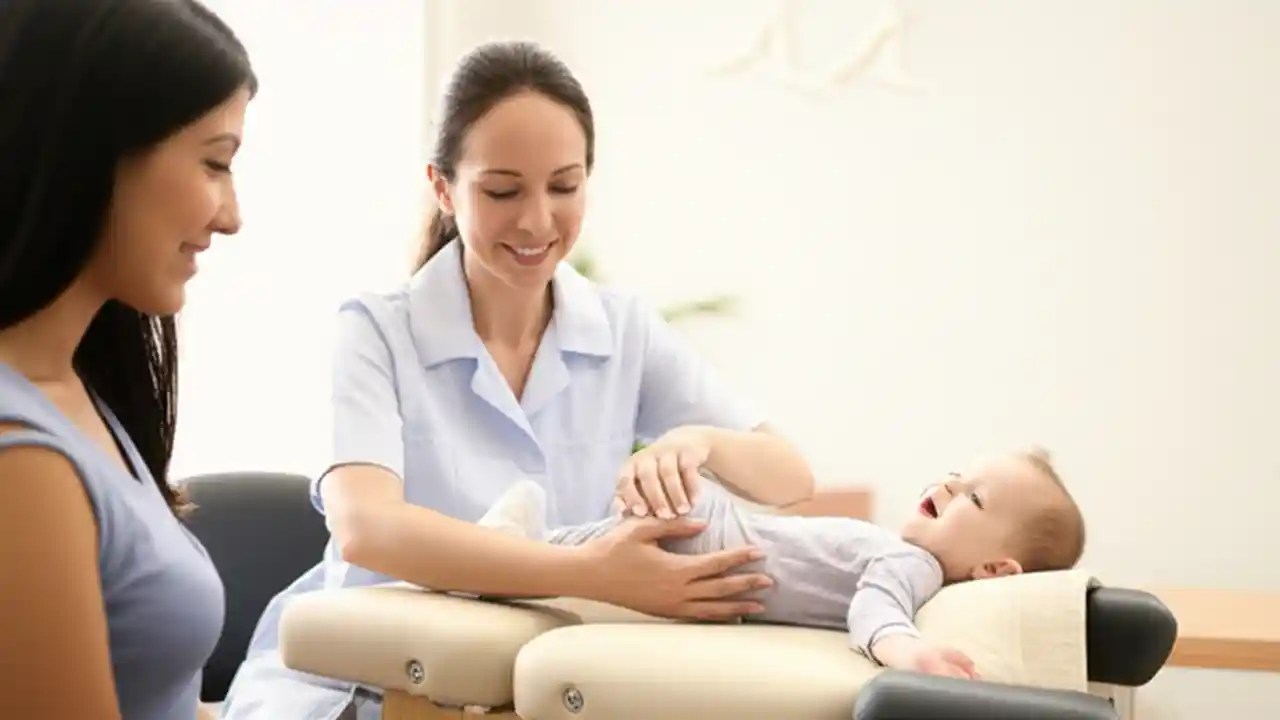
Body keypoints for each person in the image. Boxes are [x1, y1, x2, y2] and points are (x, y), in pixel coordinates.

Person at [221, 39, 814, 719]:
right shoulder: (377, 331)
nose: (537, 221)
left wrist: (699, 441)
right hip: (363, 674)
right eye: (503, 191)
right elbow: (368, 529)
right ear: (443, 187)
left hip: (533, 683)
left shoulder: (622, 329)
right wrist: (593, 575)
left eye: (564, 186)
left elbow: (789, 476)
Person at [0, 1, 255, 719]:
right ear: (93, 151)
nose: (230, 214)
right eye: (215, 163)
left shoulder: (74, 392)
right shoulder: (20, 461)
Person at [479, 446, 1088, 680]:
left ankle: (513, 549)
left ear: (995, 570)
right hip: (720, 537)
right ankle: (518, 547)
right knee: (581, 549)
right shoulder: (913, 560)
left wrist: (908, 651)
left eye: (974, 498)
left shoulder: (916, 569)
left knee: (577, 550)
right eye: (958, 474)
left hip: (717, 540)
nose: (950, 485)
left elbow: (875, 612)